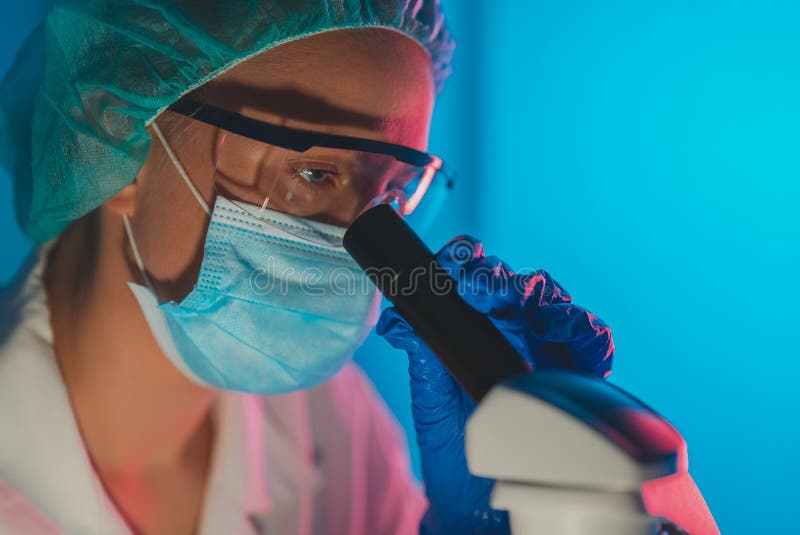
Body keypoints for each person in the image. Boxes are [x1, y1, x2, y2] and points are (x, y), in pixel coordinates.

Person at [0, 1, 715, 534]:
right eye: (315, 174)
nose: (361, 245)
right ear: (119, 130)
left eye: (393, 192)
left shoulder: (331, 425)